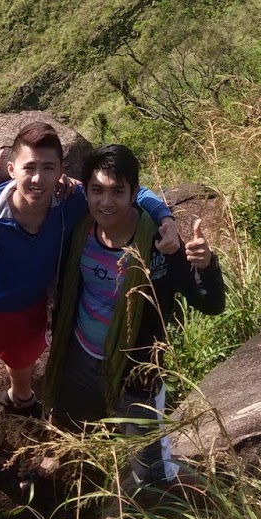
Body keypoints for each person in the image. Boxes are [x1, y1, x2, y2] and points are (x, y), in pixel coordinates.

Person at [0, 123, 179, 428]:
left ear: (62, 170)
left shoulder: (73, 202)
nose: (38, 178)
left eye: (48, 167)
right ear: (12, 169)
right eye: (29, 167)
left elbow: (131, 191)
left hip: (32, 304)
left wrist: (165, 217)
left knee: (23, 360)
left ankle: (21, 400)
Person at [41, 143, 225, 488]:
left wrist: (205, 265)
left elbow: (211, 304)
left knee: (151, 470)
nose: (106, 202)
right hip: (80, 354)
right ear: (86, 191)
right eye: (97, 190)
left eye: (117, 192)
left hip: (137, 371)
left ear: (134, 194)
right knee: (72, 434)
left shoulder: (160, 244)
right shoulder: (80, 231)